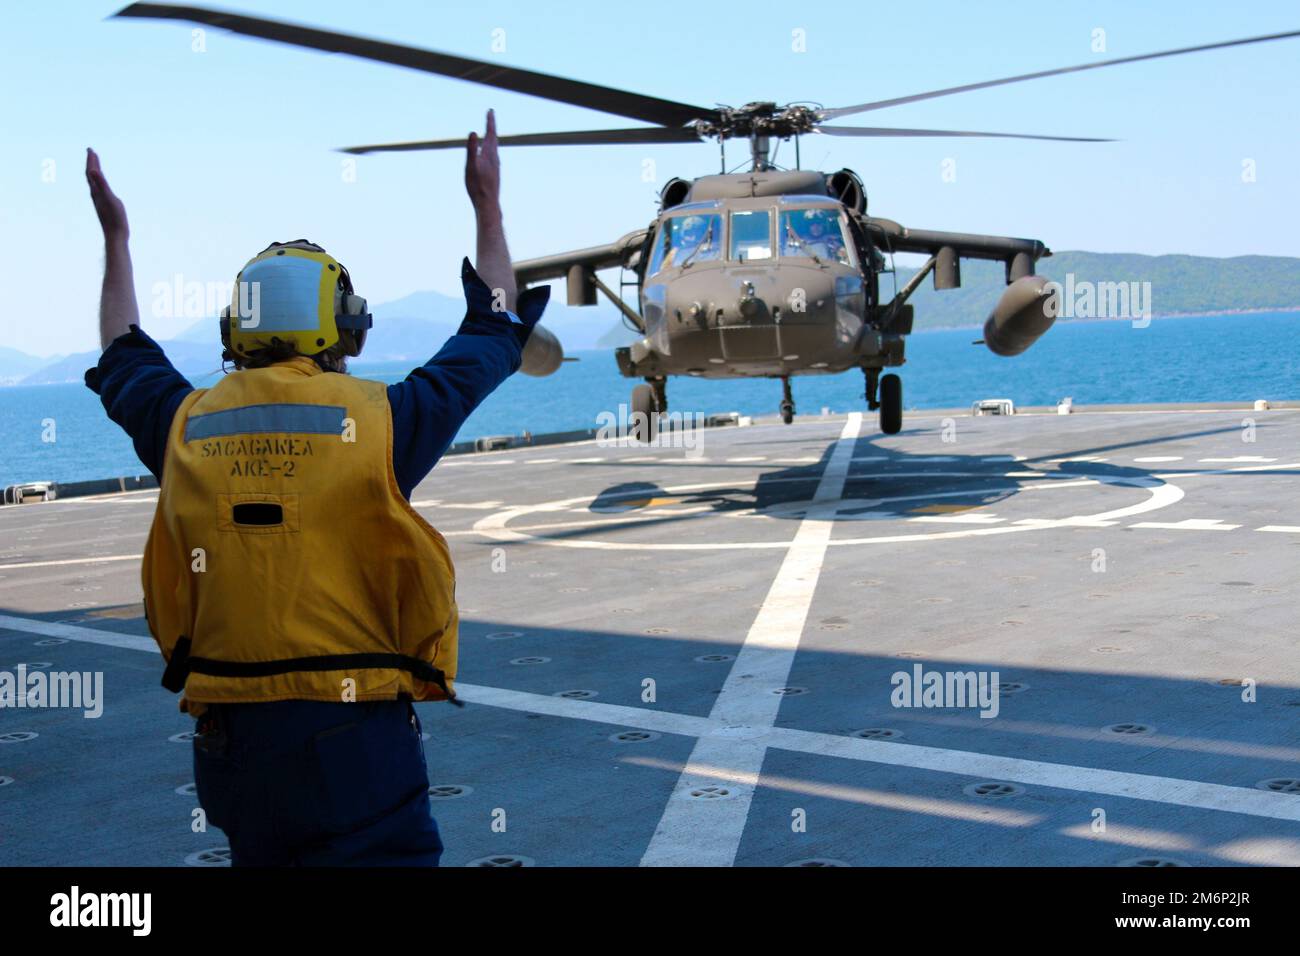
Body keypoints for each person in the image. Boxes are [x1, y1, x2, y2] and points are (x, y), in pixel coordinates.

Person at [83, 110, 547, 866]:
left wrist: (117, 240)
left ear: (235, 329)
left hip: (231, 746)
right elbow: (493, 328)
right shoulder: (384, 422)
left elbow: (120, 349)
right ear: (347, 329)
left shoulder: (183, 425)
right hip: (352, 738)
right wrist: (487, 204)